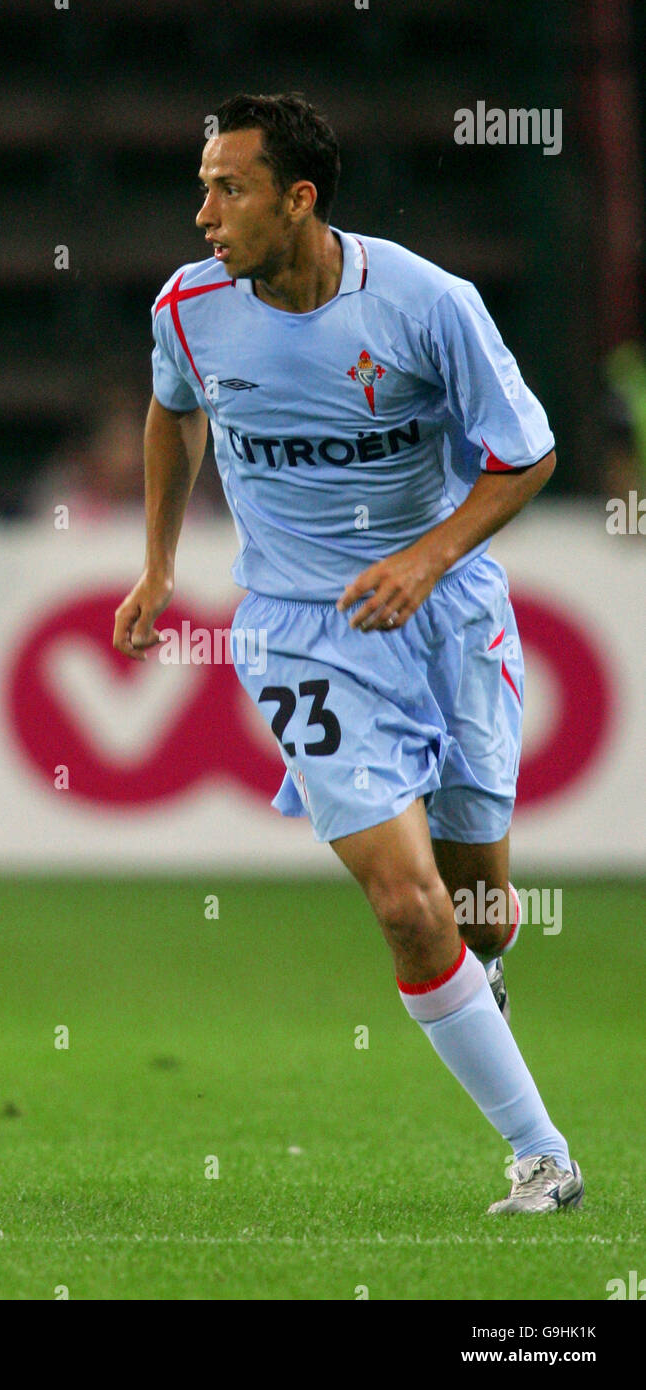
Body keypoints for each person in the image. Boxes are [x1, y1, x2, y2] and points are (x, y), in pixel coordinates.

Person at [113, 92, 583, 1214]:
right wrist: (158, 564)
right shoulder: (188, 309)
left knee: (476, 905)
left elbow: (527, 456)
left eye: (228, 188)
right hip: (298, 630)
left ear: (298, 197)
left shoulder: (427, 304)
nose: (203, 213)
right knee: (406, 907)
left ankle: (484, 969)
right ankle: (541, 1156)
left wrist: (424, 560)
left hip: (444, 609)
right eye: (202, 185)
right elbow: (171, 411)